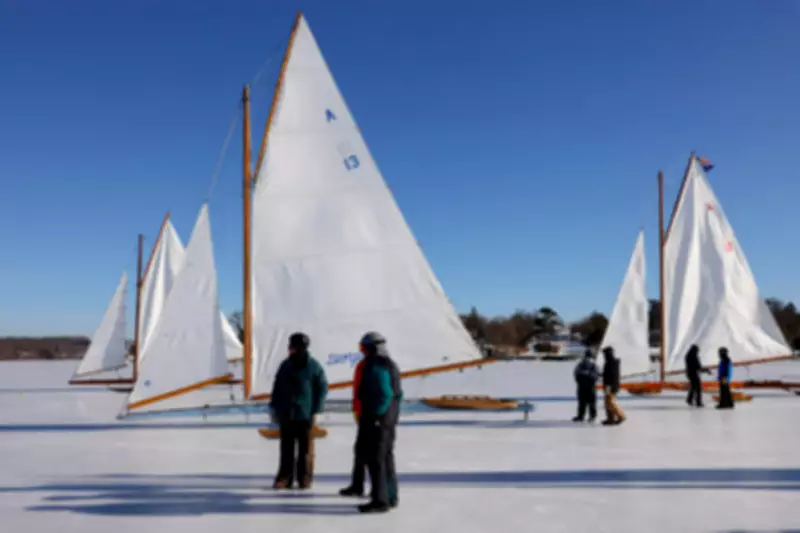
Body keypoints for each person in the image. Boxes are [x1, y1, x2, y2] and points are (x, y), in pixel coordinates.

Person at [269, 332, 328, 489]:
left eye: (293, 347)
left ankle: (305, 478)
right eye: (290, 346)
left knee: (305, 449)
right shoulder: (285, 365)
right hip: (287, 413)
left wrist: (317, 410)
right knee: (286, 449)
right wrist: (273, 407)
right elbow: (277, 387)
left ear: (301, 348)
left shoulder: (313, 366)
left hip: (305, 413)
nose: (290, 349)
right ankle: (285, 477)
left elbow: (322, 388)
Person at [355, 331, 403, 513]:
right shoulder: (390, 365)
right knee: (386, 457)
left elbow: (386, 393)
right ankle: (390, 496)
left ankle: (380, 500)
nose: (362, 352)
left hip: (377, 421)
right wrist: (392, 415)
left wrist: (376, 416)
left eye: (363, 348)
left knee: (376, 460)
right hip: (387, 421)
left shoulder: (376, 366)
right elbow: (398, 395)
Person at [339, 356, 368, 498]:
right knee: (360, 452)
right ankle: (357, 485)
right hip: (361, 413)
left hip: (372, 416)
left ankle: (380, 489)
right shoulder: (362, 365)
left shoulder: (374, 366)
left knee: (376, 456)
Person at [572, 349, 600, 422]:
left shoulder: (580, 363)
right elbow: (596, 375)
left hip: (581, 386)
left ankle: (581, 416)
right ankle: (592, 416)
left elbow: (575, 373)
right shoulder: (594, 364)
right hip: (591, 386)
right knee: (592, 402)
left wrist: (579, 381)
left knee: (582, 402)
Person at [601, 346, 626, 426]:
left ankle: (621, 416)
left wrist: (609, 386)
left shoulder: (611, 363)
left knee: (610, 402)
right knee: (607, 402)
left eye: (604, 354)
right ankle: (610, 419)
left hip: (611, 385)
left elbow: (612, 376)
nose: (604, 356)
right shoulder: (610, 362)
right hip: (609, 385)